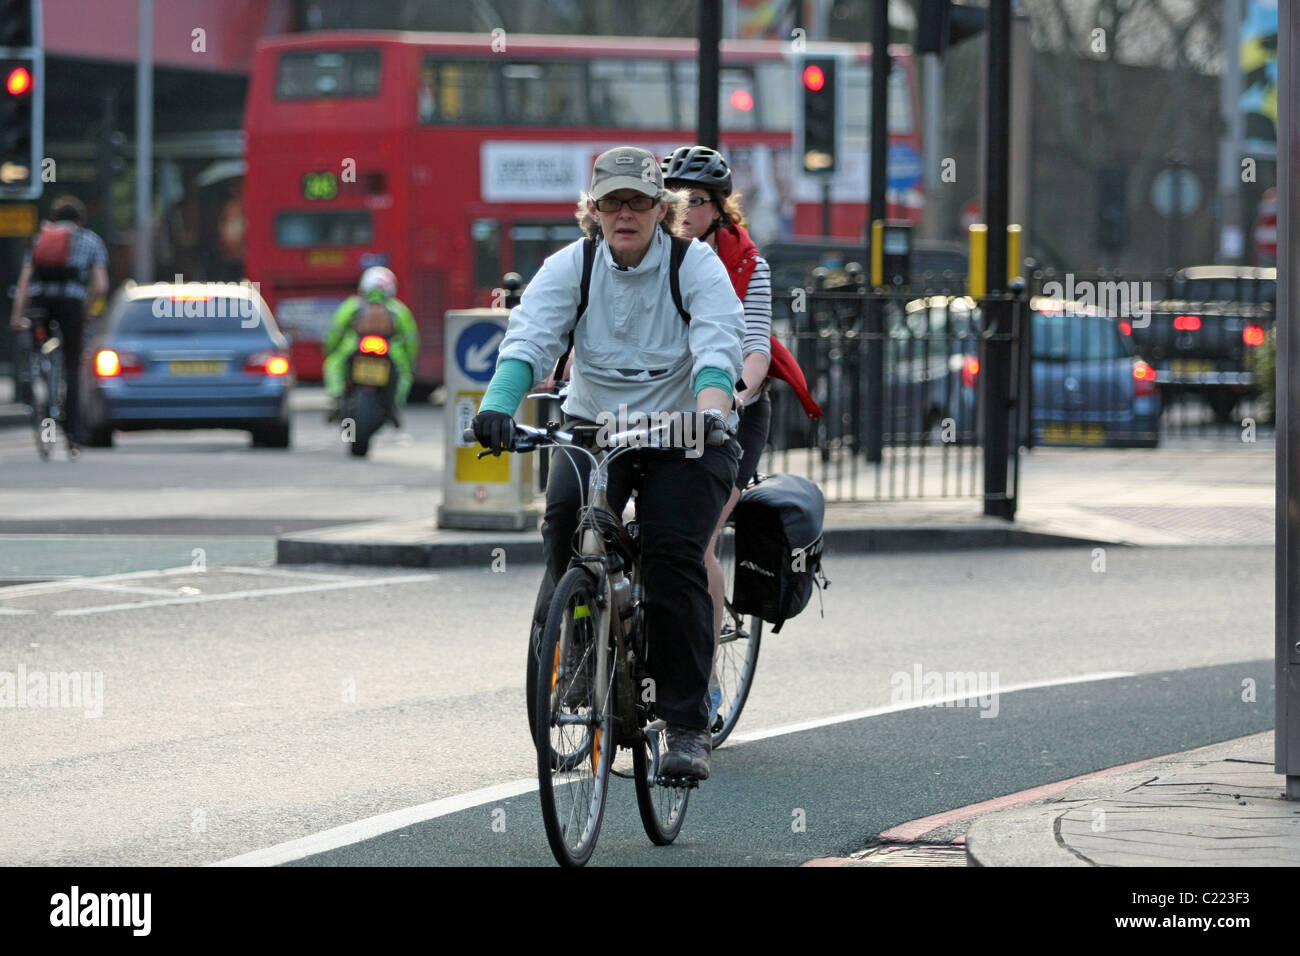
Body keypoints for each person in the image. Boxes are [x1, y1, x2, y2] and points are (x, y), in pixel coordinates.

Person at [471, 146, 744, 780]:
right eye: (612, 202)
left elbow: (716, 343)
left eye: (639, 201)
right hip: (596, 425)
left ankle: (684, 725)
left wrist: (709, 408)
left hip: (685, 431)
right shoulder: (573, 265)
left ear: (661, 209)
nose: (626, 213)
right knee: (566, 521)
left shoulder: (694, 264)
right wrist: (497, 407)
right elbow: (532, 336)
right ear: (593, 210)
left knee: (676, 550)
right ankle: (574, 652)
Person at [661, 146, 772, 726]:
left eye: (696, 201)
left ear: (719, 208)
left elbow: (755, 347)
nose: (682, 209)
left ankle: (700, 688)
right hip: (662, 406)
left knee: (696, 539)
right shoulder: (646, 252)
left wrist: (737, 394)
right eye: (673, 198)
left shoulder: (747, 262)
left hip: (734, 413)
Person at [8, 195, 110, 448]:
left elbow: (24, 283)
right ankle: (73, 430)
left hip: (40, 305)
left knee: (38, 343)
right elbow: (101, 285)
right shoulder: (90, 241)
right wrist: (86, 308)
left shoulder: (40, 239)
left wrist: (17, 317)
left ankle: (38, 378)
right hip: (71, 307)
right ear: (80, 219)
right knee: (72, 366)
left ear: (54, 219)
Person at [323, 266, 419, 422]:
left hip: (354, 346)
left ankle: (337, 398)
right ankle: (395, 405)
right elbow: (410, 340)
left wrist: (330, 349)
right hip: (390, 351)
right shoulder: (398, 309)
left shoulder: (352, 305)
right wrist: (410, 361)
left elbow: (336, 332)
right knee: (404, 372)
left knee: (333, 363)